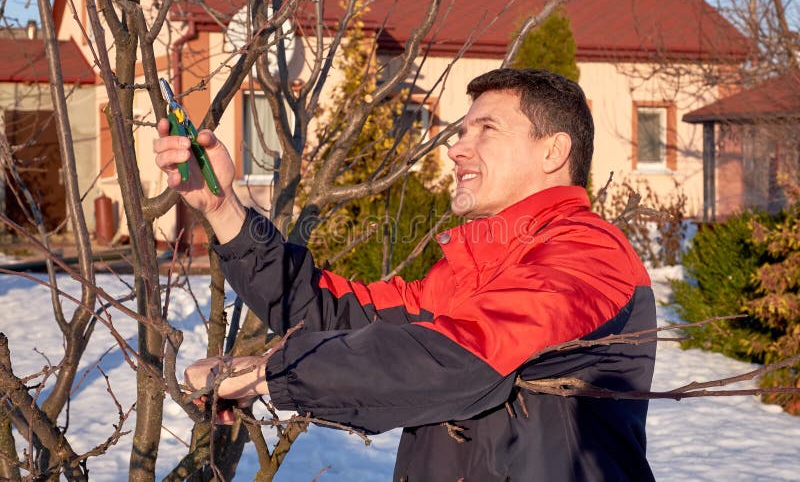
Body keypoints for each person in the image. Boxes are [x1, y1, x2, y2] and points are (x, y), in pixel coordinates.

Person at [154, 68, 656, 481]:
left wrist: (268, 374)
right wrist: (223, 211)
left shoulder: (588, 255)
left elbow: (457, 357)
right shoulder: (472, 273)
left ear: (553, 151)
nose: (458, 148)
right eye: (462, 131)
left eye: (486, 129)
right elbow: (330, 315)